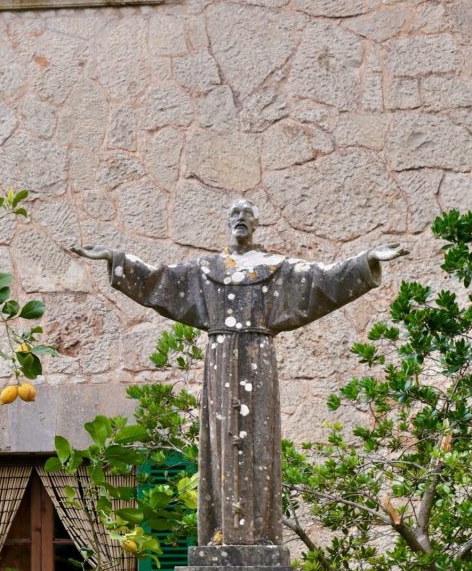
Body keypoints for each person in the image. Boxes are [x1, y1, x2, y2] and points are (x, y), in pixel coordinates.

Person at [73, 199, 409, 547]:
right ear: (227, 222)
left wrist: (367, 261)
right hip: (219, 362)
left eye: (246, 215)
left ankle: (259, 534)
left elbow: (322, 280)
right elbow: (160, 279)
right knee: (220, 442)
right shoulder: (206, 270)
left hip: (258, 360)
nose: (240, 220)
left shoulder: (275, 268)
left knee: (260, 442)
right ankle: (222, 531)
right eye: (234, 214)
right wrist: (116, 259)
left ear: (256, 224)